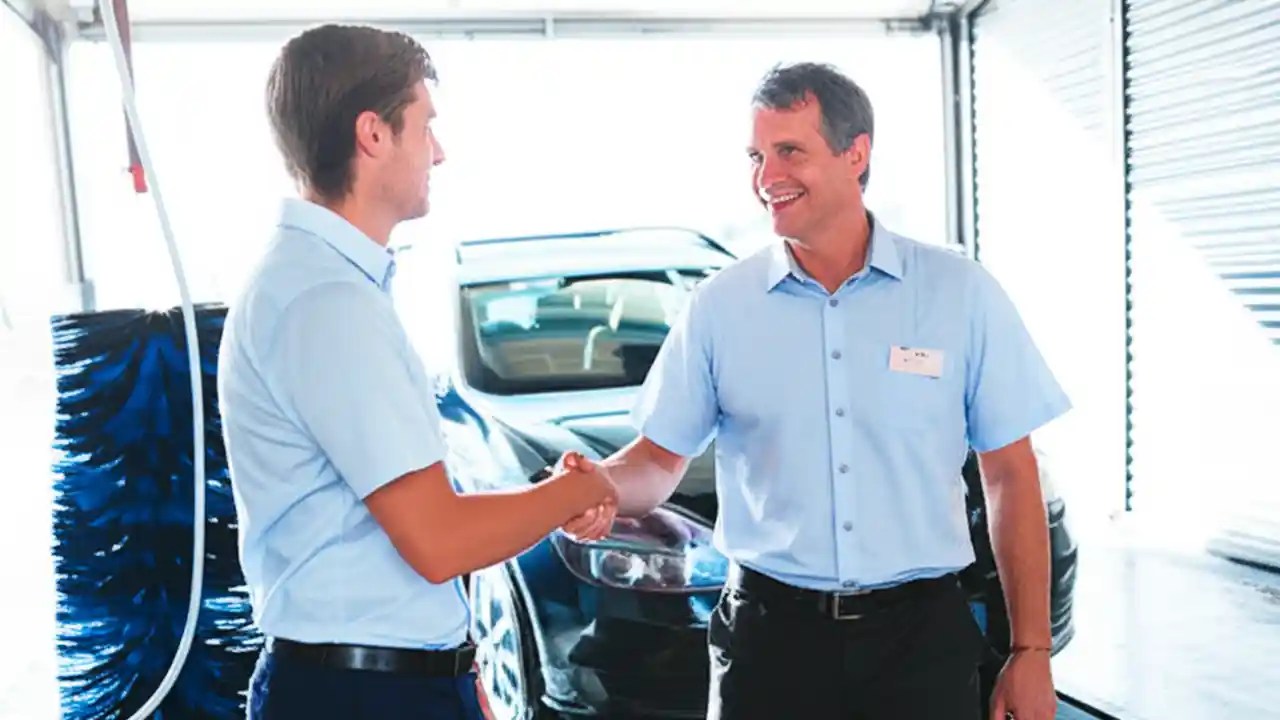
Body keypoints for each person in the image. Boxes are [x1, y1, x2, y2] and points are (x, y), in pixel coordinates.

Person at [561, 61, 1069, 720]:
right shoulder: (720, 307)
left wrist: (1030, 651)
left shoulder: (958, 293)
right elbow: (657, 461)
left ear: (856, 154)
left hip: (919, 644)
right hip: (770, 642)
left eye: (789, 151)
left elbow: (1009, 474)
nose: (766, 177)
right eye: (756, 155)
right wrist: (594, 486)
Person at [216, 24, 616, 720]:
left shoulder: (320, 283)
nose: (438, 151)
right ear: (373, 135)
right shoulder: (328, 301)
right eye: (424, 125)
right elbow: (438, 540)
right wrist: (574, 490)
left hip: (381, 679)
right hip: (364, 694)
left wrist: (458, 667)